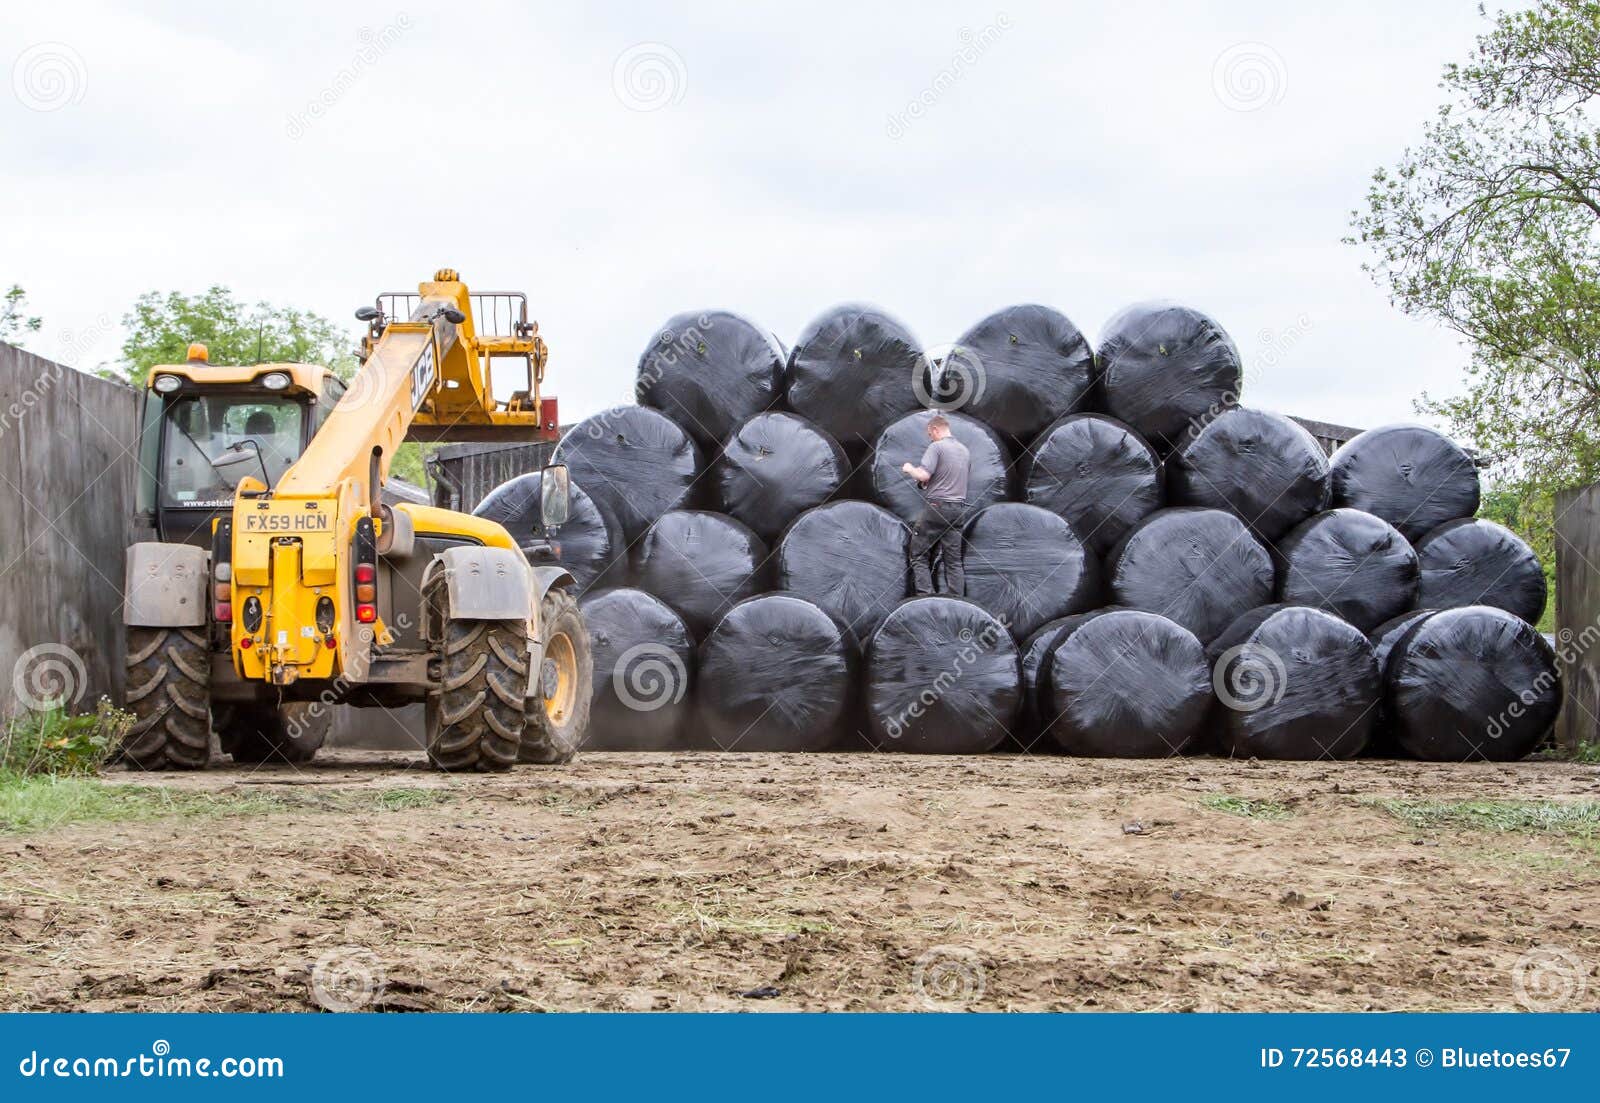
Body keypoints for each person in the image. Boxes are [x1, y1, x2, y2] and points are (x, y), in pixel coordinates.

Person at [901, 413, 971, 596]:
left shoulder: (937, 447)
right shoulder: (964, 450)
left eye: (930, 435)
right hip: (958, 510)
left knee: (918, 554)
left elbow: (923, 475)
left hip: (937, 508)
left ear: (935, 429)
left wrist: (909, 469)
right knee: (954, 562)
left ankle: (926, 597)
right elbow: (950, 478)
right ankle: (958, 600)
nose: (930, 438)